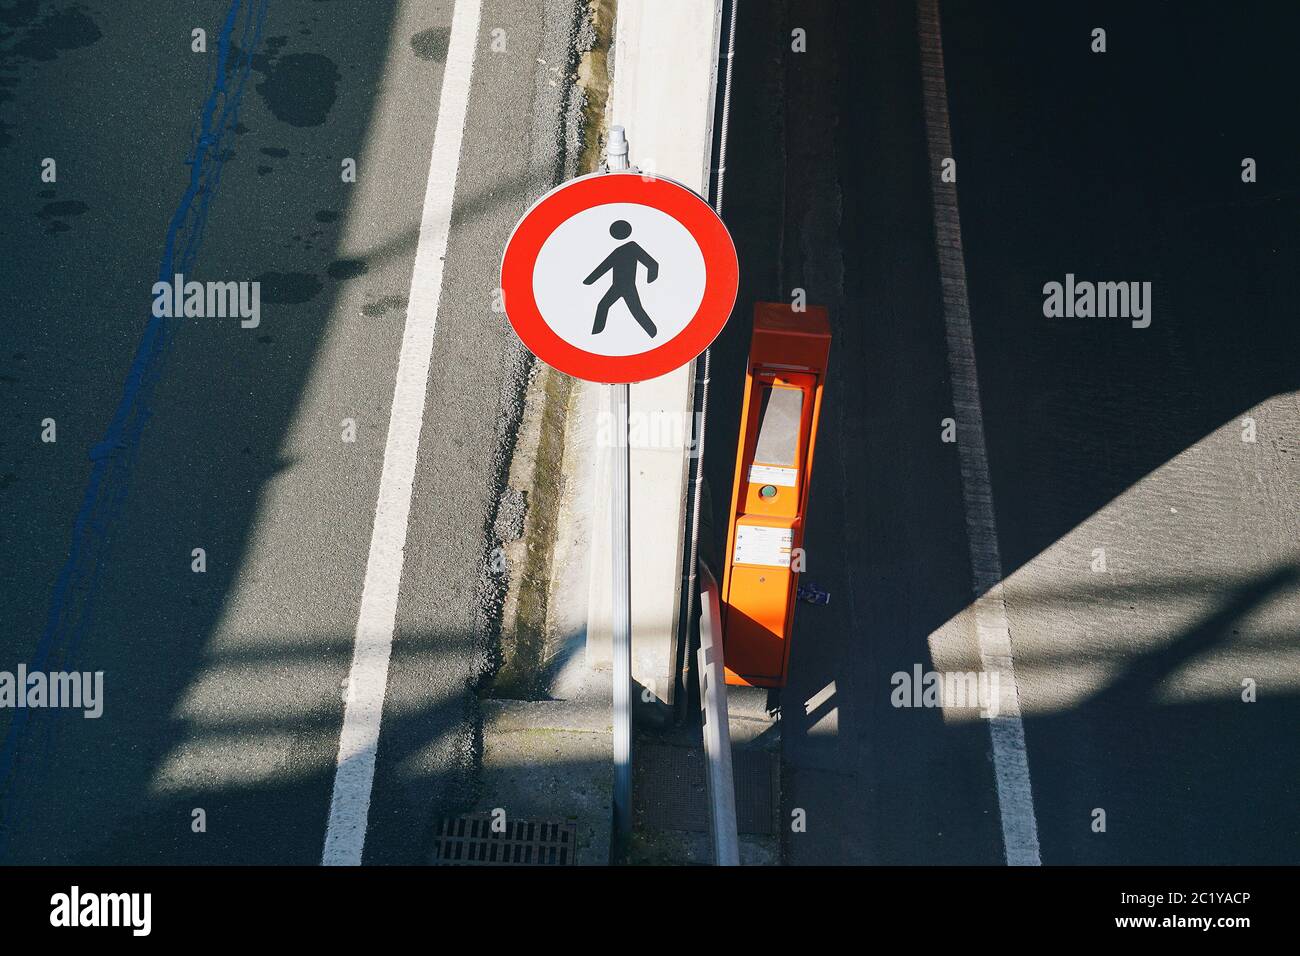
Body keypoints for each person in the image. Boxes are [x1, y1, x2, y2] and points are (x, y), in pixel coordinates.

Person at [583, 219, 659, 338]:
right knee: (603, 305)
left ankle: (653, 334)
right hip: (616, 286)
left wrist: (651, 279)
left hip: (628, 286)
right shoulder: (618, 251)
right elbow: (604, 266)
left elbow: (652, 264)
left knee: (636, 311)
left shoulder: (632, 247)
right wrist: (588, 281)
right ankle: (595, 334)